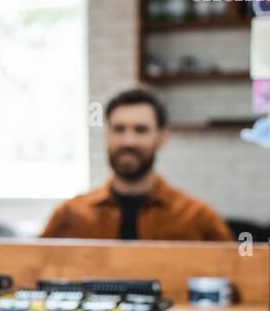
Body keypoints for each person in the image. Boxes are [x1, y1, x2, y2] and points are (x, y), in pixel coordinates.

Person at [41, 89, 232, 242]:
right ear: (107, 136)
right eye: (119, 129)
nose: (128, 141)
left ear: (161, 138)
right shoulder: (69, 216)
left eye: (141, 130)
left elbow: (235, 271)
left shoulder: (198, 218)